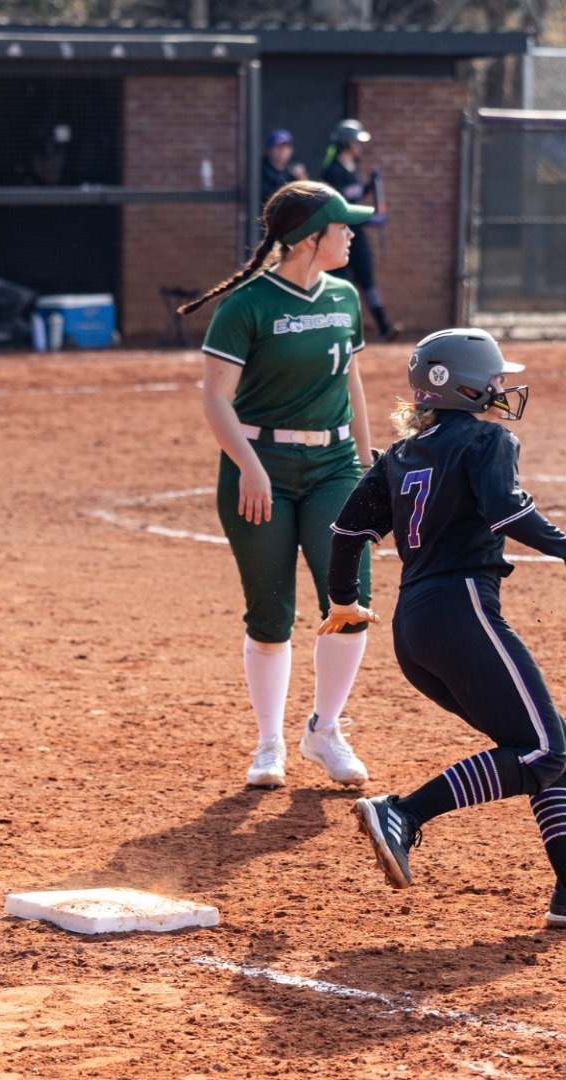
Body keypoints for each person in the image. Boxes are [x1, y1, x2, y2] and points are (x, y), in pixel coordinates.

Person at [329, 329, 566, 929]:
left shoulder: (400, 455)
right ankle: (404, 812)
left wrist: (344, 600)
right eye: (497, 379)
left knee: (553, 750)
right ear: (468, 386)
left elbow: (348, 534)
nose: (504, 388)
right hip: (463, 611)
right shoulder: (488, 437)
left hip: (415, 629)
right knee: (544, 749)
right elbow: (508, 511)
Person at [181, 180, 380, 790]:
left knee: (349, 600)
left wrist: (370, 467)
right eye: (342, 226)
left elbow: (351, 383)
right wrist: (249, 465)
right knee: (270, 612)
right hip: (259, 463)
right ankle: (269, 743)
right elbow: (216, 399)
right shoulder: (247, 305)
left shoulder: (344, 296)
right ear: (309, 239)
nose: (351, 235)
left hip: (334, 465)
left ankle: (325, 730)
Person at [321, 119, 399, 342]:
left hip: (356, 233)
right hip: (338, 233)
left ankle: (384, 326)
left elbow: (354, 196)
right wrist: (369, 218)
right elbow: (340, 204)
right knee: (338, 281)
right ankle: (333, 328)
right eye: (355, 142)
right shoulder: (332, 171)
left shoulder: (352, 167)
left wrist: (369, 185)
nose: (359, 146)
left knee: (367, 278)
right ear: (345, 142)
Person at [259, 129, 308, 208]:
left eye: (286, 147)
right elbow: (269, 198)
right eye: (279, 147)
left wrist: (302, 181)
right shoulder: (260, 170)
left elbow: (305, 199)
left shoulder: (291, 172)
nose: (283, 151)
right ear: (269, 150)